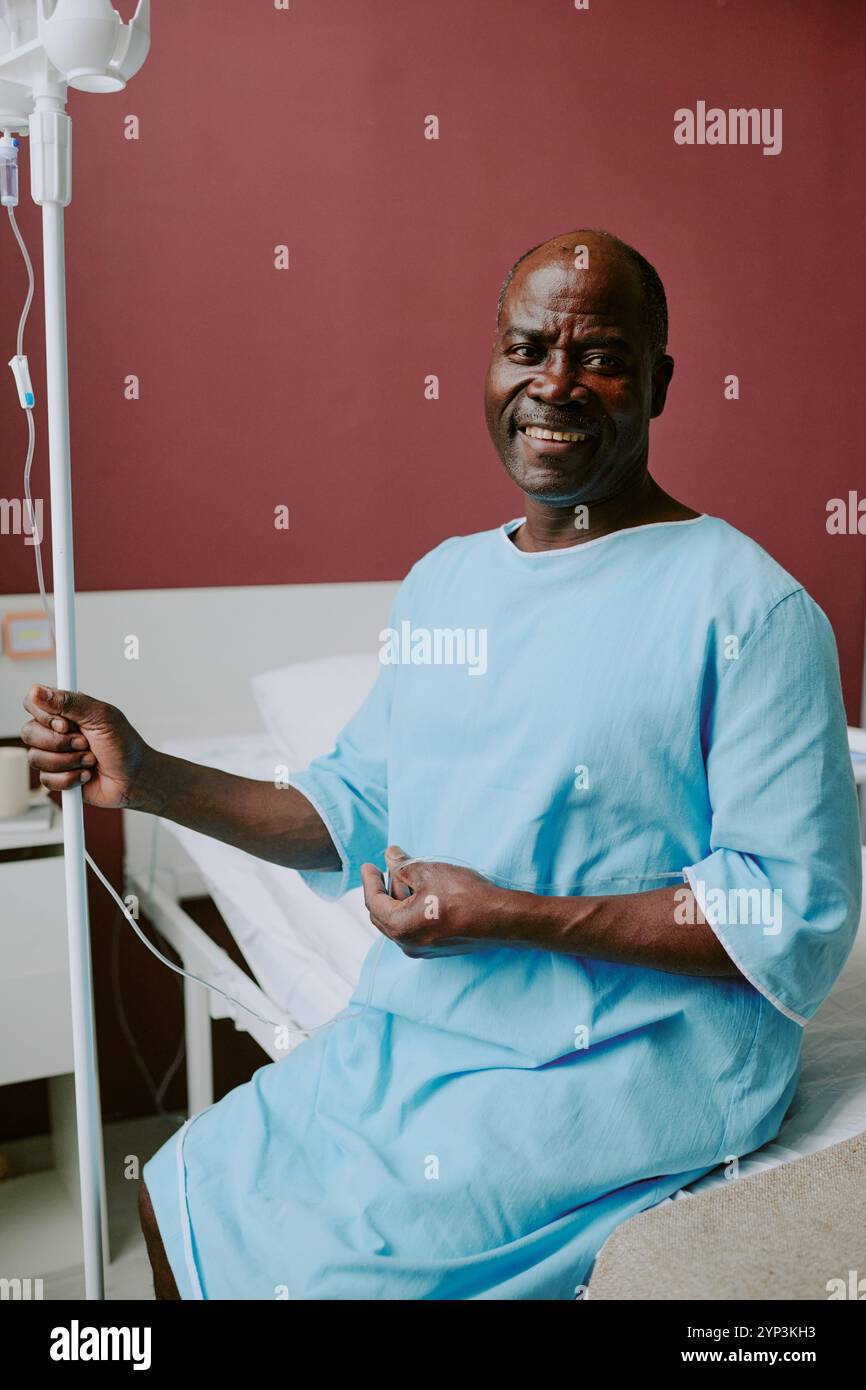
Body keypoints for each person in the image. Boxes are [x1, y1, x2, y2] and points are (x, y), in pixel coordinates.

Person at [21, 229, 862, 1301]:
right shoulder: (442, 585)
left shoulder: (747, 607)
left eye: (597, 355)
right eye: (525, 346)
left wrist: (505, 915)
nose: (552, 382)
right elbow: (349, 807)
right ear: (490, 364)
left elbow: (788, 909)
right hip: (422, 1030)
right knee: (180, 1191)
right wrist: (146, 774)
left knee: (322, 1275)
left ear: (656, 381)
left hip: (620, 1060)